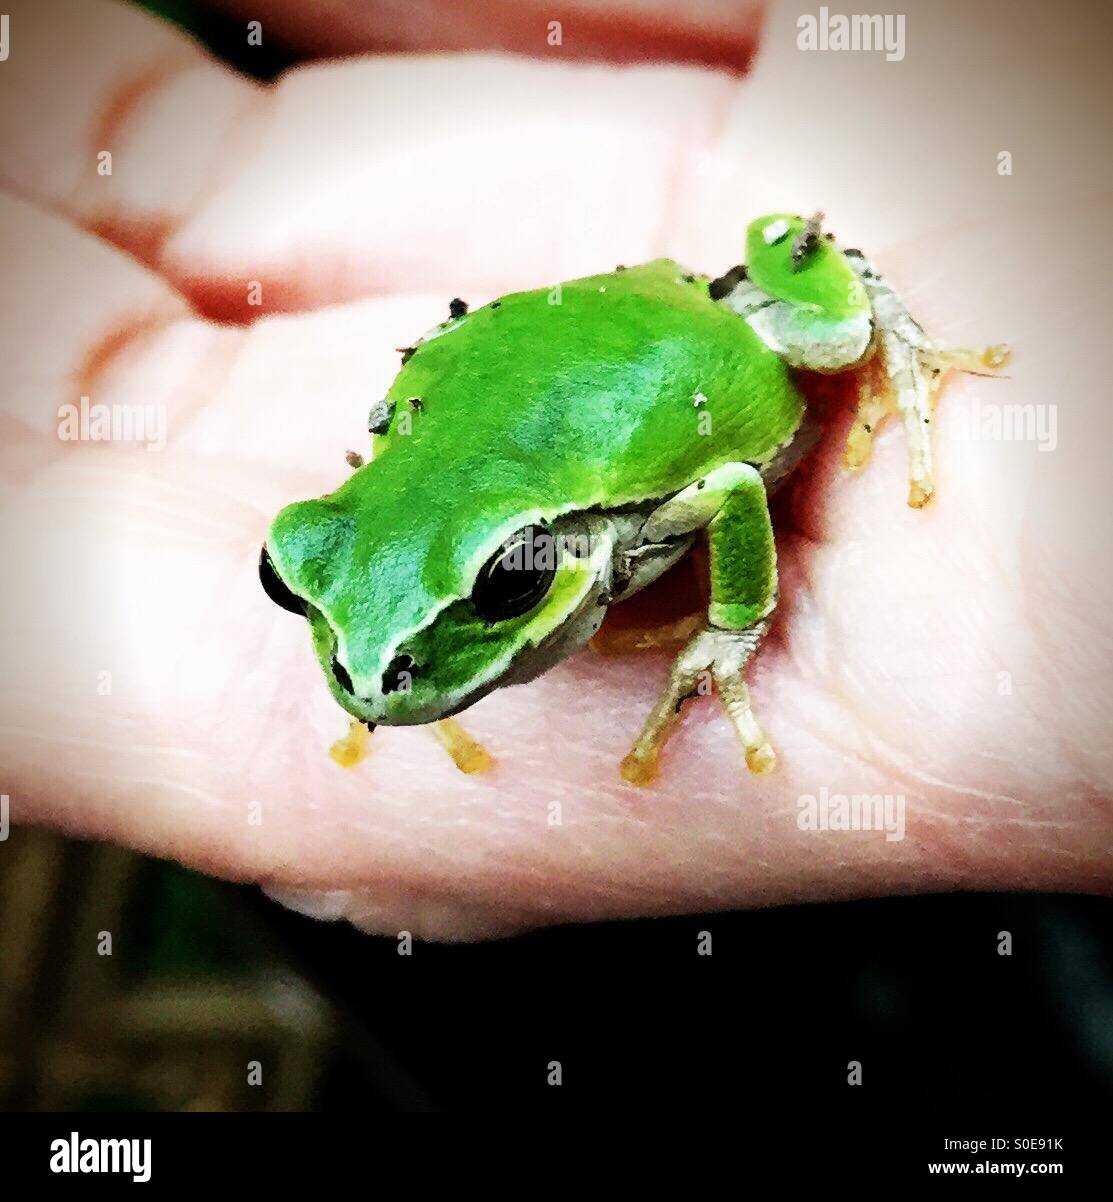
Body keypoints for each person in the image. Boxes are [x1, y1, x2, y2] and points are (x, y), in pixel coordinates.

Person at [1, 0, 1110, 940]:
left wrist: (732, 626)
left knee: (827, 337)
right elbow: (419, 486)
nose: (356, 675)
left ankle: (891, 326)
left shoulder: (607, 520)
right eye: (300, 582)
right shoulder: (416, 549)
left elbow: (726, 487)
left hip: (703, 348)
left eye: (502, 583)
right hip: (533, 380)